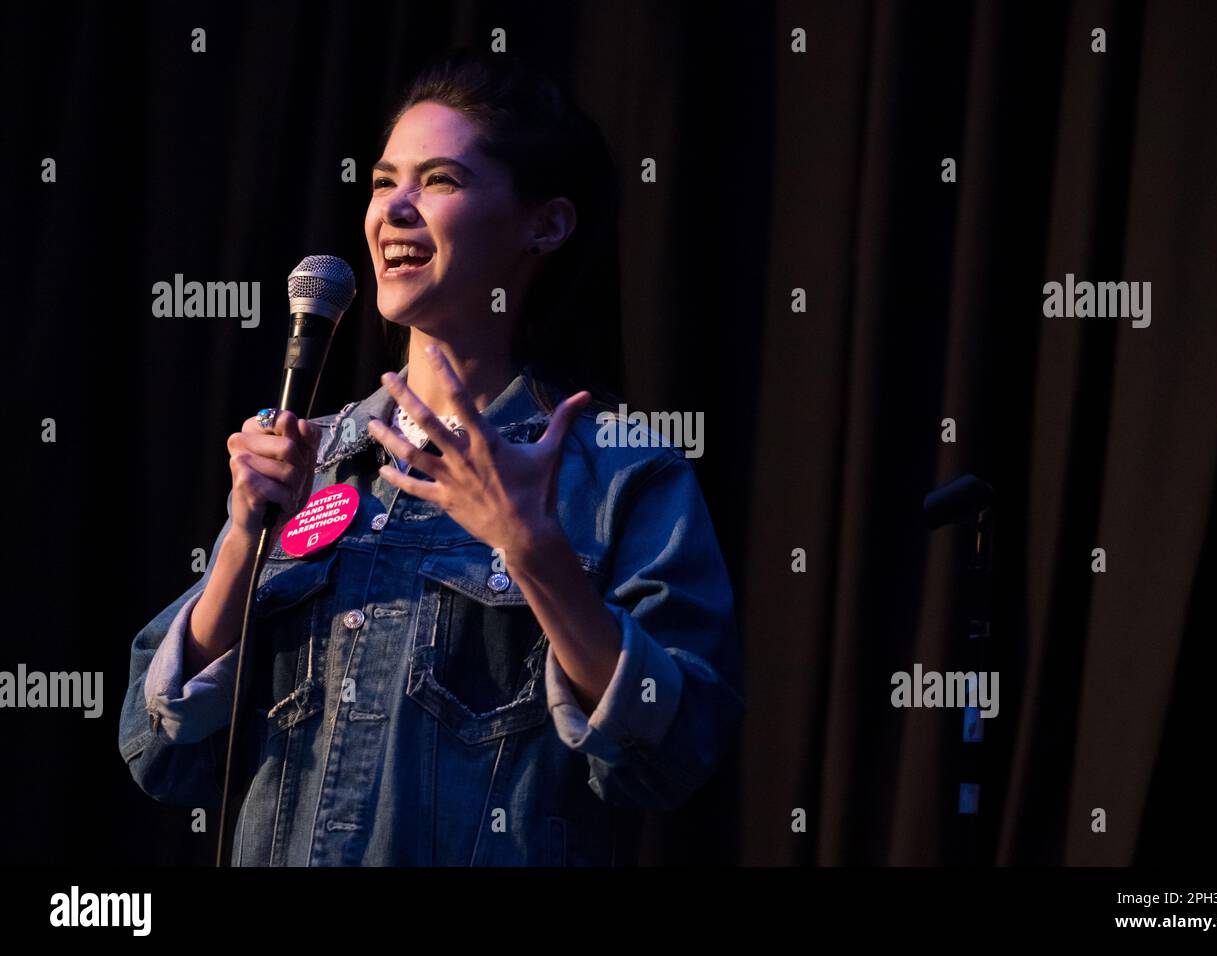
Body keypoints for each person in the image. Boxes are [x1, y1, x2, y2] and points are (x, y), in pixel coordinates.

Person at [117, 47, 746, 866]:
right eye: (384, 182)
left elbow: (676, 752)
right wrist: (243, 536)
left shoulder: (620, 474)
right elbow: (158, 744)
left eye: (441, 181)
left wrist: (536, 556)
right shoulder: (315, 458)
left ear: (544, 224)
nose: (395, 210)